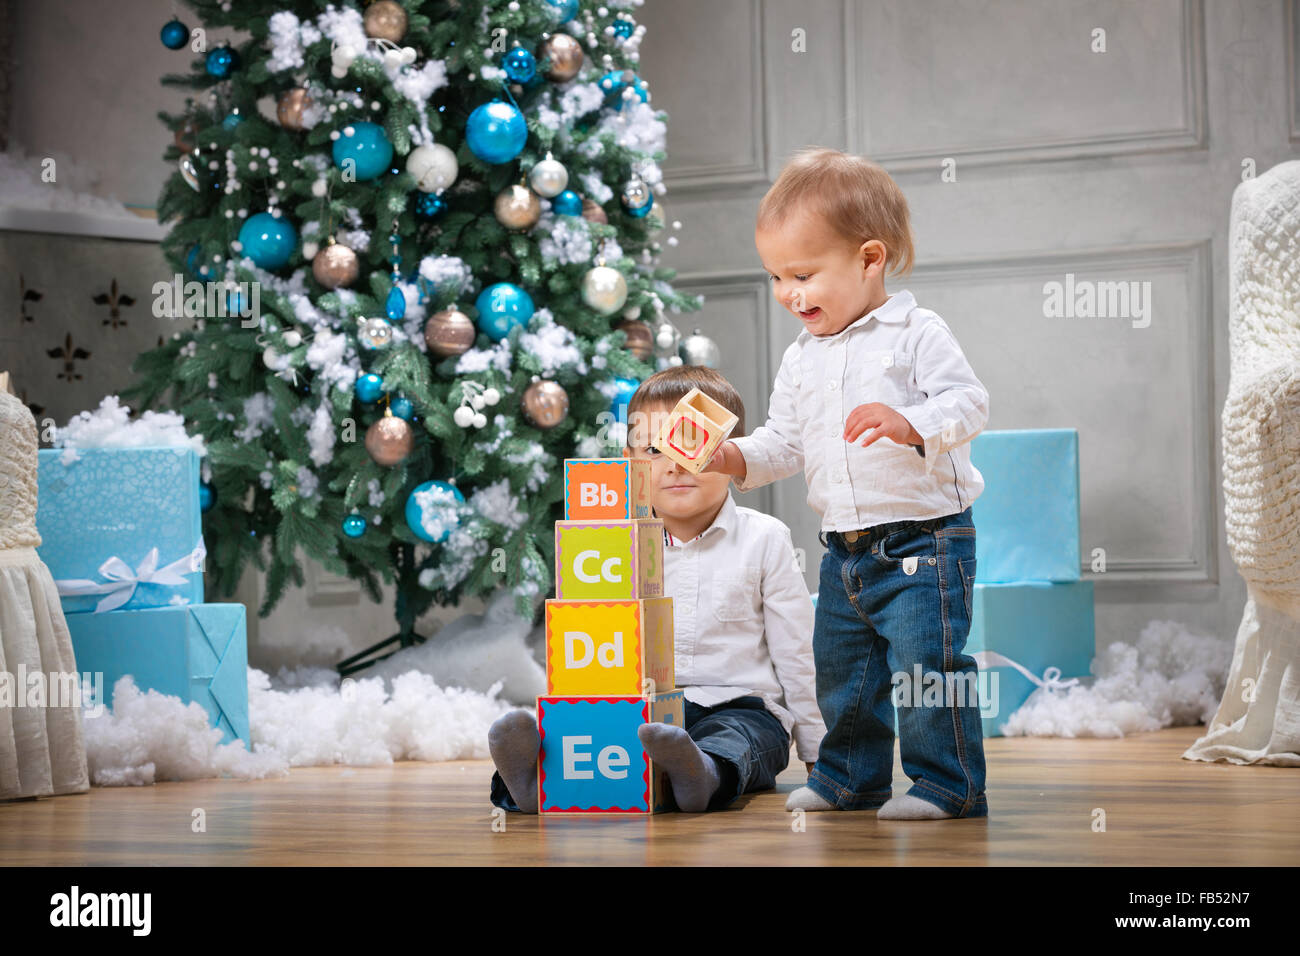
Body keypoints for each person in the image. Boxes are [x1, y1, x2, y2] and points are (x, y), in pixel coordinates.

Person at [703, 146, 991, 819]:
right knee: (843, 673)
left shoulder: (916, 332)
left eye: (803, 274)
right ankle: (850, 779)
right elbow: (784, 443)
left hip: (925, 544)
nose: (788, 294)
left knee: (927, 671)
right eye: (775, 277)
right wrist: (732, 459)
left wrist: (909, 421)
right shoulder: (802, 359)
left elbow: (970, 403)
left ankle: (949, 784)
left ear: (869, 260)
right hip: (844, 549)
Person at [488, 366, 826, 812]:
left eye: (694, 444)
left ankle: (701, 773)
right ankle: (530, 786)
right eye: (653, 449)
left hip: (739, 706)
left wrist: (819, 753)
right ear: (630, 462)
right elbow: (584, 639)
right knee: (594, 733)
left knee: (739, 738)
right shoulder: (608, 544)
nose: (675, 463)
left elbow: (797, 652)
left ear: (734, 455)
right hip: (639, 707)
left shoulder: (765, 538)